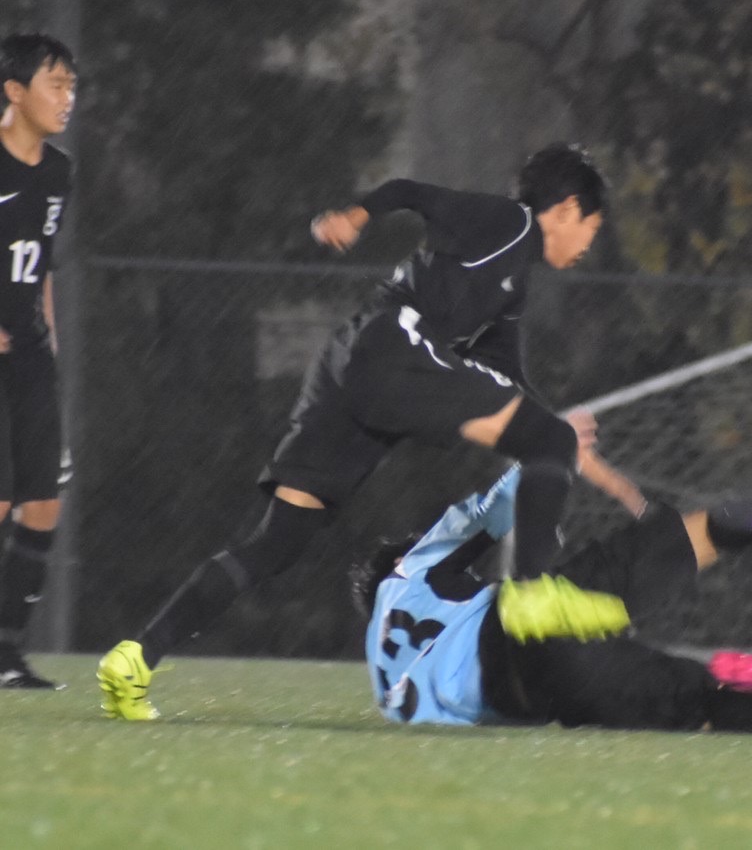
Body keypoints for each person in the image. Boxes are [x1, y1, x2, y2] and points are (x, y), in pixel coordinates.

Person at [99, 144, 630, 720]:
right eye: (593, 227)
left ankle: (133, 659)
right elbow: (412, 192)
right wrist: (355, 216)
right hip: (392, 349)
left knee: (275, 544)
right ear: (568, 208)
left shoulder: (511, 283)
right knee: (545, 440)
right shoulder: (511, 222)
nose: (588, 245)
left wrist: (554, 435)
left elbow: (507, 374)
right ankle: (531, 595)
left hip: (351, 365)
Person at [356, 450, 752, 731]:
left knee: (734, 713)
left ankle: (723, 681)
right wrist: (556, 450)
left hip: (527, 691)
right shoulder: (412, 569)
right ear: (398, 561)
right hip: (524, 614)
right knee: (691, 537)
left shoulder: (387, 691)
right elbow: (503, 499)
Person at [0, 34, 76, 690]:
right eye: (55, 84)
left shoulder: (58, 172)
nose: (67, 97)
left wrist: (47, 344)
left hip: (29, 358)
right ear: (14, 91)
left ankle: (6, 654)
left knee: (42, 503)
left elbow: (41, 265)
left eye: (71, 86)